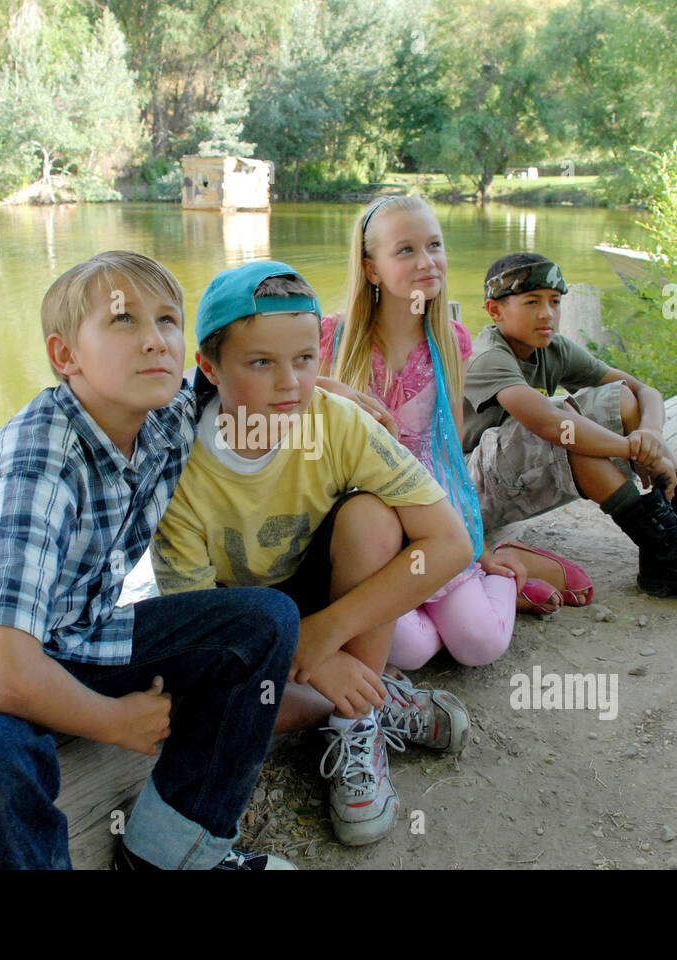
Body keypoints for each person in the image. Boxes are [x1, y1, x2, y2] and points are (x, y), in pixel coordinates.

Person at [0, 250, 301, 871]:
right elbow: (2, 674)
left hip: (78, 637)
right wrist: (114, 721)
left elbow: (221, 381)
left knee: (263, 623)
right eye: (123, 321)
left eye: (167, 320)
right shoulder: (36, 466)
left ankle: (173, 855)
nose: (155, 340)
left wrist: (338, 388)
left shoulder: (159, 419)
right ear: (65, 356)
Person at [150, 259, 475, 847]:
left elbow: (450, 544)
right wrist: (318, 661)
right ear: (208, 365)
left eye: (305, 360)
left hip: (321, 594)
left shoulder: (337, 423)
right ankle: (369, 700)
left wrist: (327, 632)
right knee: (201, 706)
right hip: (236, 618)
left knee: (373, 517)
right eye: (260, 363)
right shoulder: (179, 472)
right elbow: (198, 628)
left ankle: (358, 721)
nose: (291, 384)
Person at [321, 196, 593, 671]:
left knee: (479, 645)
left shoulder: (450, 341)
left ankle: (505, 573)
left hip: (433, 514)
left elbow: (447, 452)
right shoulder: (334, 339)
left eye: (434, 245)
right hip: (370, 525)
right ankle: (436, 613)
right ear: (371, 269)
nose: (427, 262)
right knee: (409, 650)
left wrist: (478, 547)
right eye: (405, 250)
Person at [461, 251, 677, 599]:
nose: (547, 313)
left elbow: (642, 391)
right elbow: (549, 425)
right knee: (566, 428)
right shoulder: (489, 356)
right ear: (495, 310)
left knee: (619, 396)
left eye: (555, 301)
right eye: (532, 302)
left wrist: (649, 435)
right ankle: (664, 553)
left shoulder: (552, 347)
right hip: (467, 493)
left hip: (509, 476)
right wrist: (634, 450)